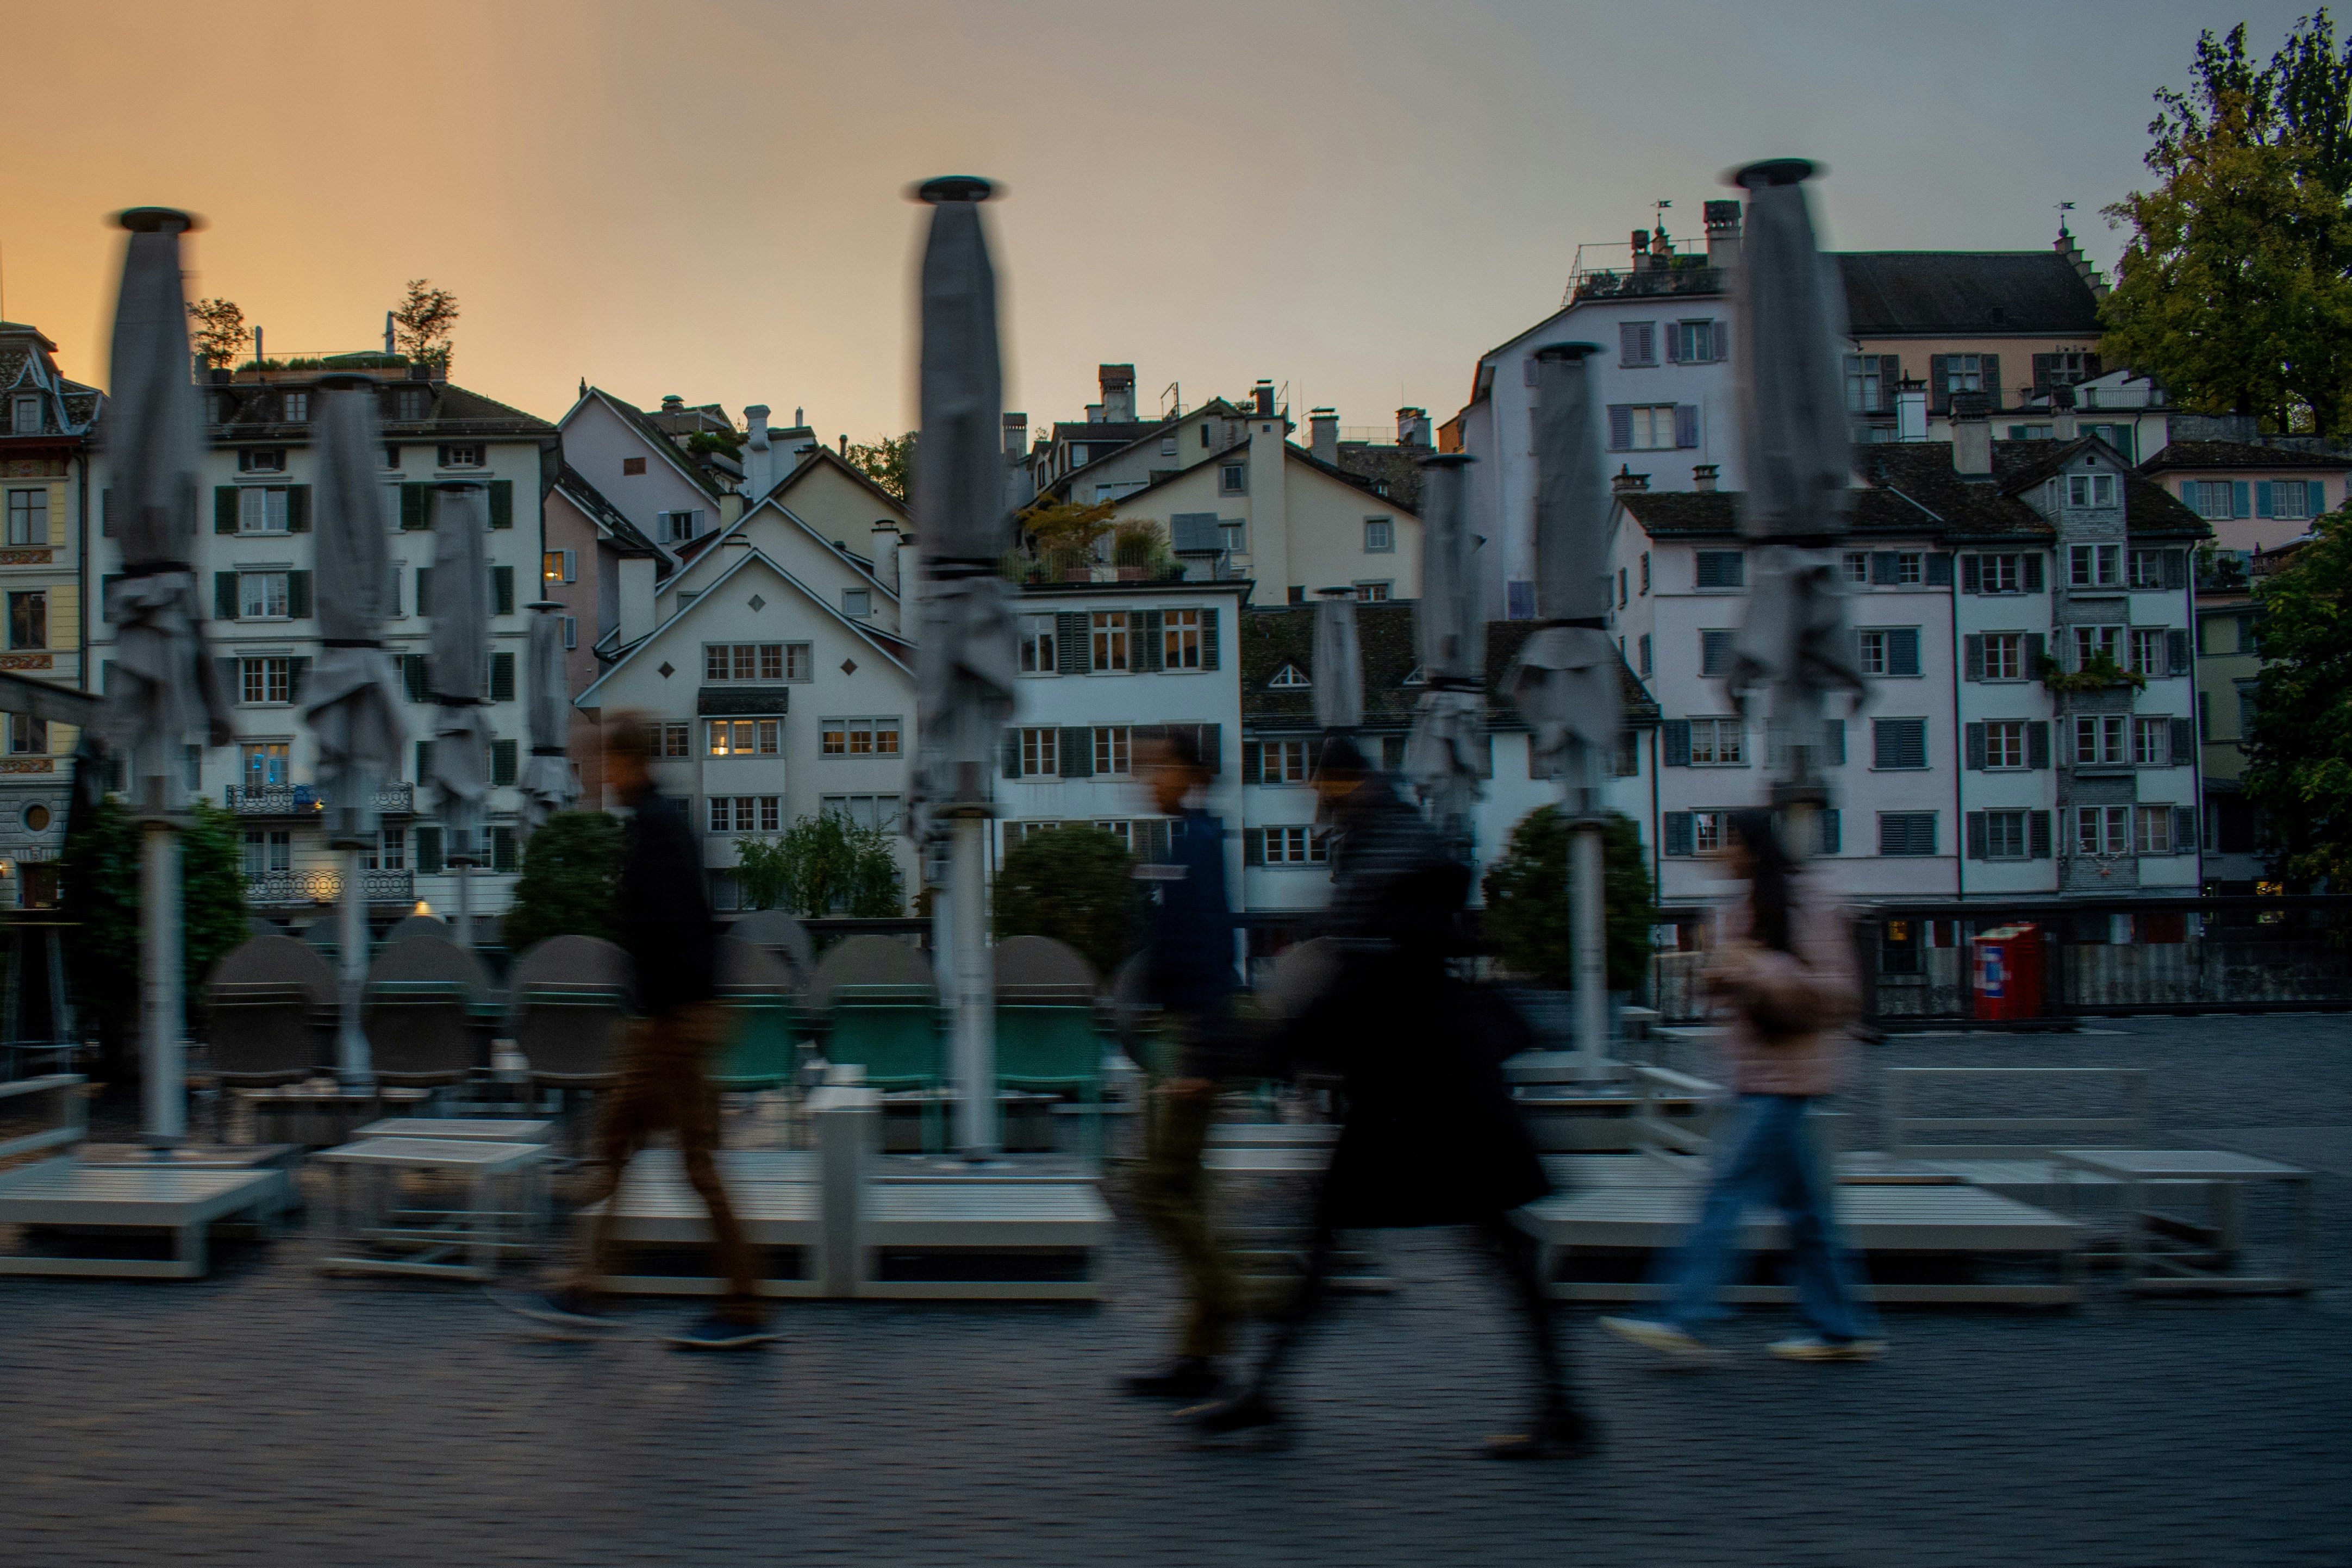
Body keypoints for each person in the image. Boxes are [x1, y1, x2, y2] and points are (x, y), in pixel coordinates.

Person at [1184, 736, 1591, 1459]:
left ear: (1340, 783)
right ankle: (1559, 1404)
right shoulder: (1397, 842)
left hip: (1417, 1089)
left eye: (1318, 786)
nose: (1314, 801)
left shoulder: (1381, 856)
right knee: (1489, 1248)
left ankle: (1266, 1396)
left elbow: (1359, 978)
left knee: (1349, 1239)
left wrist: (1265, 1052)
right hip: (1441, 1081)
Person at [505, 713, 778, 1350]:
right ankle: (589, 1282)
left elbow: (668, 935)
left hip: (673, 1023)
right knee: (620, 1148)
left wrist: (657, 1020)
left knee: (691, 1165)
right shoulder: (659, 825)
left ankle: (741, 1304)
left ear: (624, 763)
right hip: (672, 1020)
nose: (594, 773)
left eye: (599, 761)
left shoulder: (655, 830)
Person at [1600, 808, 1885, 1364]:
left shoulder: (1809, 902)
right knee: (1806, 1212)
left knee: (1724, 1189)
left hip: (1788, 1076)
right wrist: (1724, 977)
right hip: (1756, 1075)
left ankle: (1680, 1313)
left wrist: (1757, 969)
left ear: (1749, 847)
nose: (1713, 852)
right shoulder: (1737, 909)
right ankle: (1841, 1326)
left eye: (1720, 841)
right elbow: (1742, 999)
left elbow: (1838, 994)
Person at [1121, 728, 1246, 1401]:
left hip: (1196, 1036)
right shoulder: (1186, 840)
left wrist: (1196, 1053)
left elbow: (1210, 948)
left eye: (1159, 765)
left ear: (1190, 772)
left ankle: (1240, 1296)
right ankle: (1200, 1355)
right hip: (1188, 1032)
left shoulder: (1197, 844)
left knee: (1156, 1187)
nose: (1148, 776)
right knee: (1185, 1192)